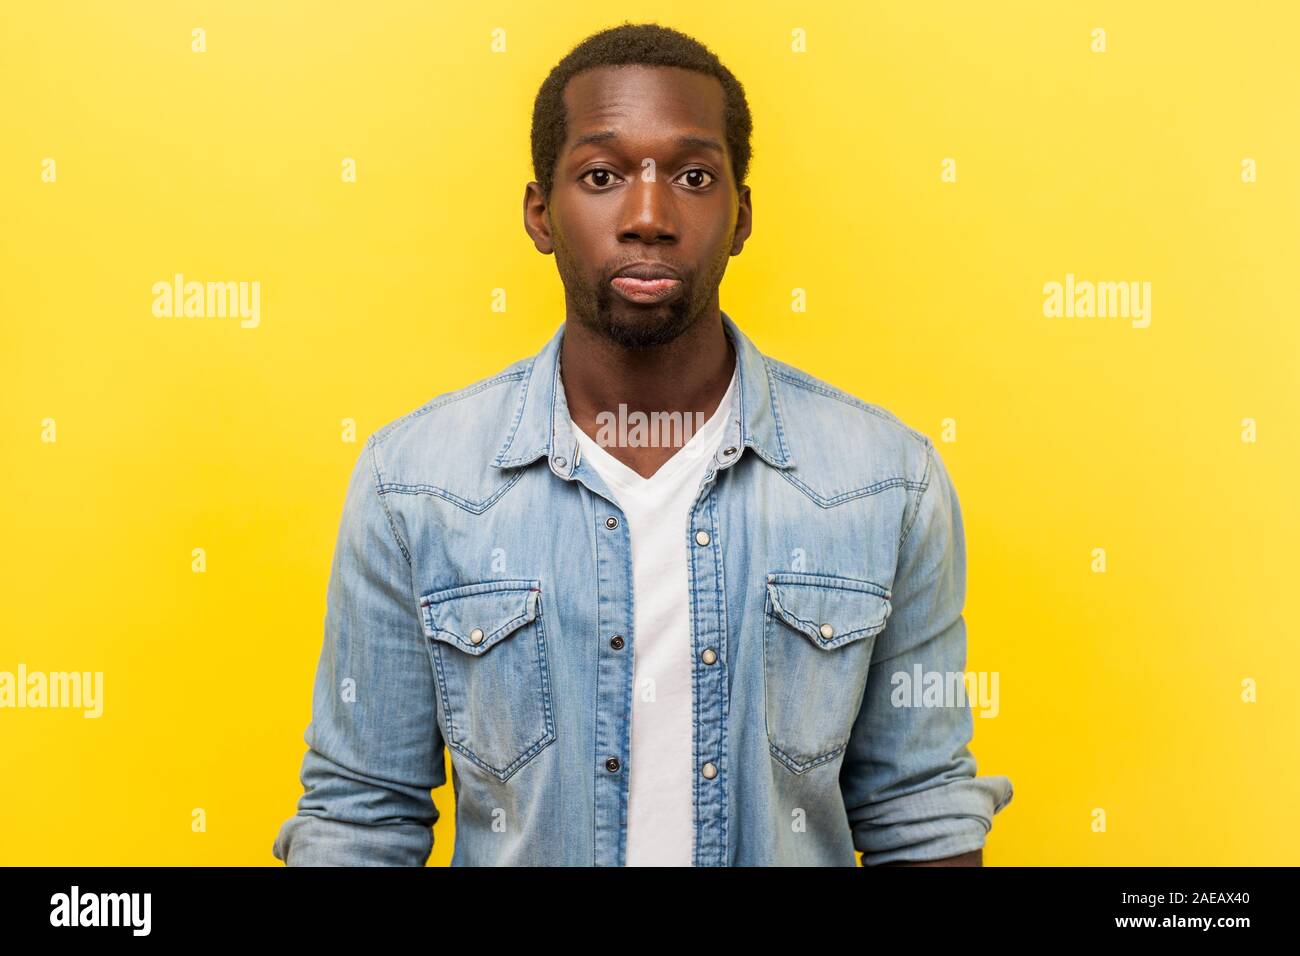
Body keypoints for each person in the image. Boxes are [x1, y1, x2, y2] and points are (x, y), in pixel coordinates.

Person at [273, 21, 1012, 867]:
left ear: (740, 217)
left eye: (694, 176)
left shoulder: (887, 484)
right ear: (541, 215)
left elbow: (919, 814)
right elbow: (360, 823)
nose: (650, 216)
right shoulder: (412, 486)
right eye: (602, 175)